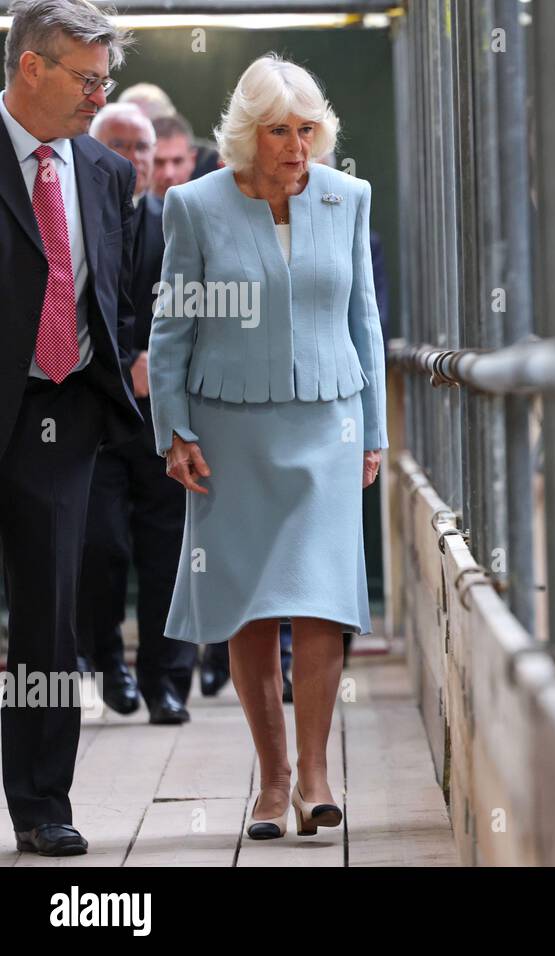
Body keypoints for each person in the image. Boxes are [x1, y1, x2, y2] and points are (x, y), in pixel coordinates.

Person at [148, 54, 387, 841]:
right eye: (279, 131)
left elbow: (367, 326)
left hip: (329, 423)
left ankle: (316, 774)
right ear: (247, 136)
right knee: (247, 605)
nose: (295, 146)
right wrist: (174, 430)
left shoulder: (347, 197)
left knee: (322, 599)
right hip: (228, 429)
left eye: (307, 130)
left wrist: (375, 432)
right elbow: (172, 326)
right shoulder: (194, 205)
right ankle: (272, 781)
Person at [0, 0, 142, 857]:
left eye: (107, 81)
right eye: (88, 80)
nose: (100, 97)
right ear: (31, 69)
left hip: (60, 414)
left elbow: (112, 295)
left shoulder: (105, 172)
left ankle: (43, 807)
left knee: (49, 622)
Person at [82, 100, 195, 724]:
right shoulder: (71, 224)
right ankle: (108, 661)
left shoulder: (178, 224)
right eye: (117, 146)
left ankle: (165, 681)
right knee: (100, 547)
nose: (131, 159)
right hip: (95, 419)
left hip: (167, 419)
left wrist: (162, 367)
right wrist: (124, 363)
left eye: (141, 149)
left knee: (170, 553)